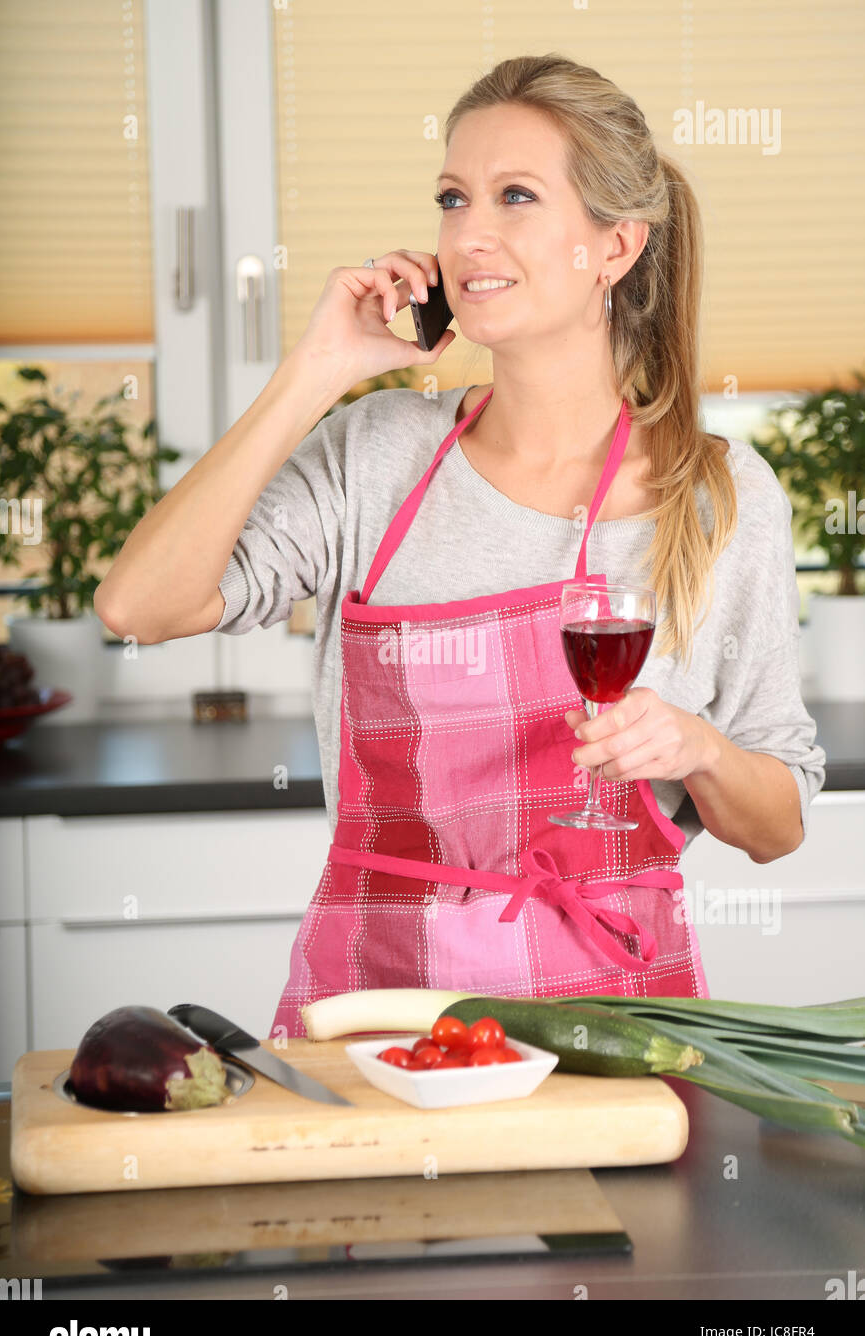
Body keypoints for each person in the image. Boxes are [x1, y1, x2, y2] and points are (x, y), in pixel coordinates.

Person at [95, 54, 825, 1037]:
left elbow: (773, 827)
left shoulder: (721, 496)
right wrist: (315, 370)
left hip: (608, 1037)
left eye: (514, 196)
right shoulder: (378, 453)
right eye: (451, 197)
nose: (467, 235)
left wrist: (695, 747)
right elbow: (137, 606)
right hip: (374, 1023)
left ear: (612, 247)